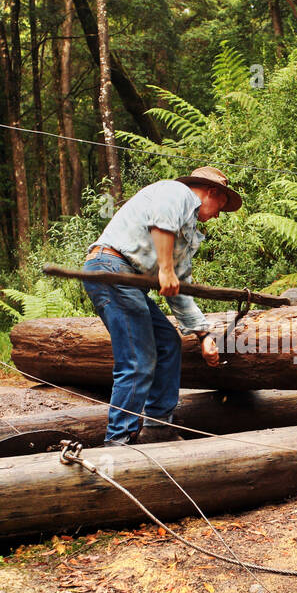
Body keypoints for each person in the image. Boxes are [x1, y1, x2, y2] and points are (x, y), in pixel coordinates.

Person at [81, 166, 243, 445]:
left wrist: (203, 335)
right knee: (137, 358)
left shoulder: (185, 230)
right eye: (220, 207)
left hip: (127, 278)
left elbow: (177, 285)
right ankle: (119, 441)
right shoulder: (176, 192)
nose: (217, 215)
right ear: (211, 191)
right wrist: (165, 269)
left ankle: (158, 427)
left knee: (168, 342)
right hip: (111, 269)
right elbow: (161, 224)